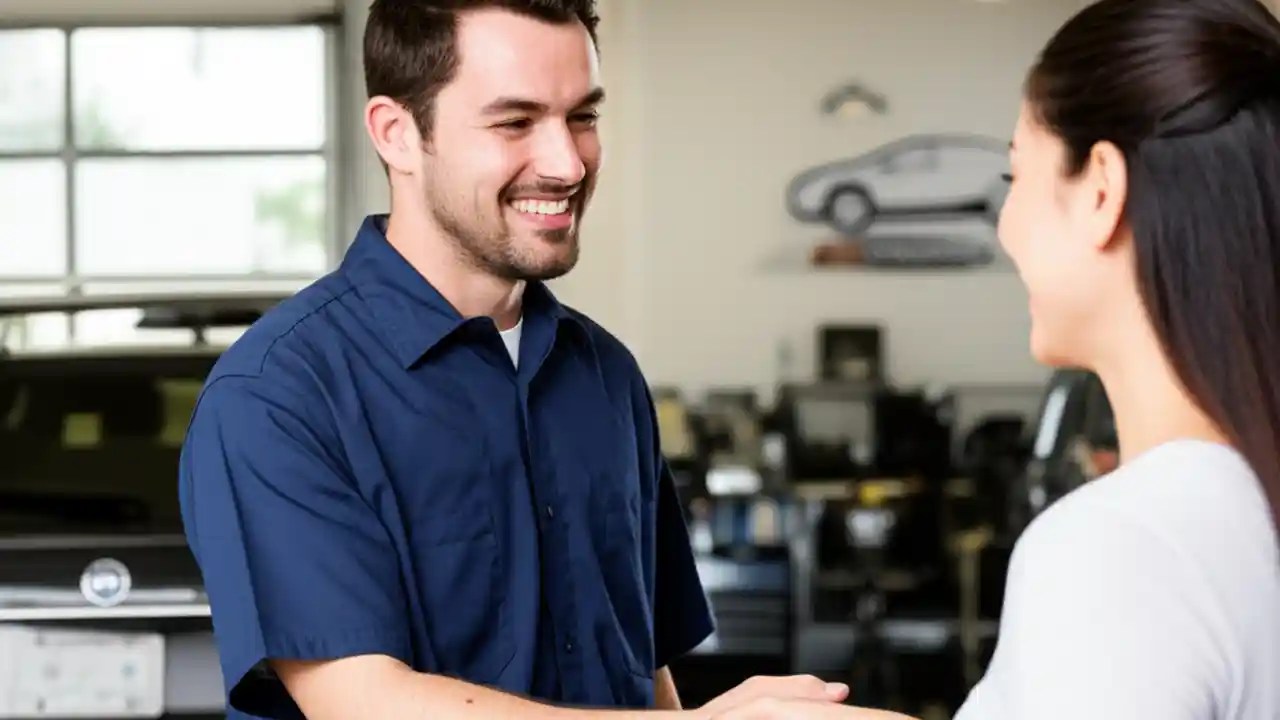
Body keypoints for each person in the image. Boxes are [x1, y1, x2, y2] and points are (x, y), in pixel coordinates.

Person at [177, 2, 904, 719]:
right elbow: (365, 703)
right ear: (397, 134)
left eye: (583, 117)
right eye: (515, 122)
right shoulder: (279, 395)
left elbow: (645, 674)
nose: (566, 163)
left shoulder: (606, 376)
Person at [945, 0, 1280, 717]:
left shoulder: (1120, 548)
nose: (1006, 227)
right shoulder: (1236, 512)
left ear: (1101, 188)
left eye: (1016, 179)